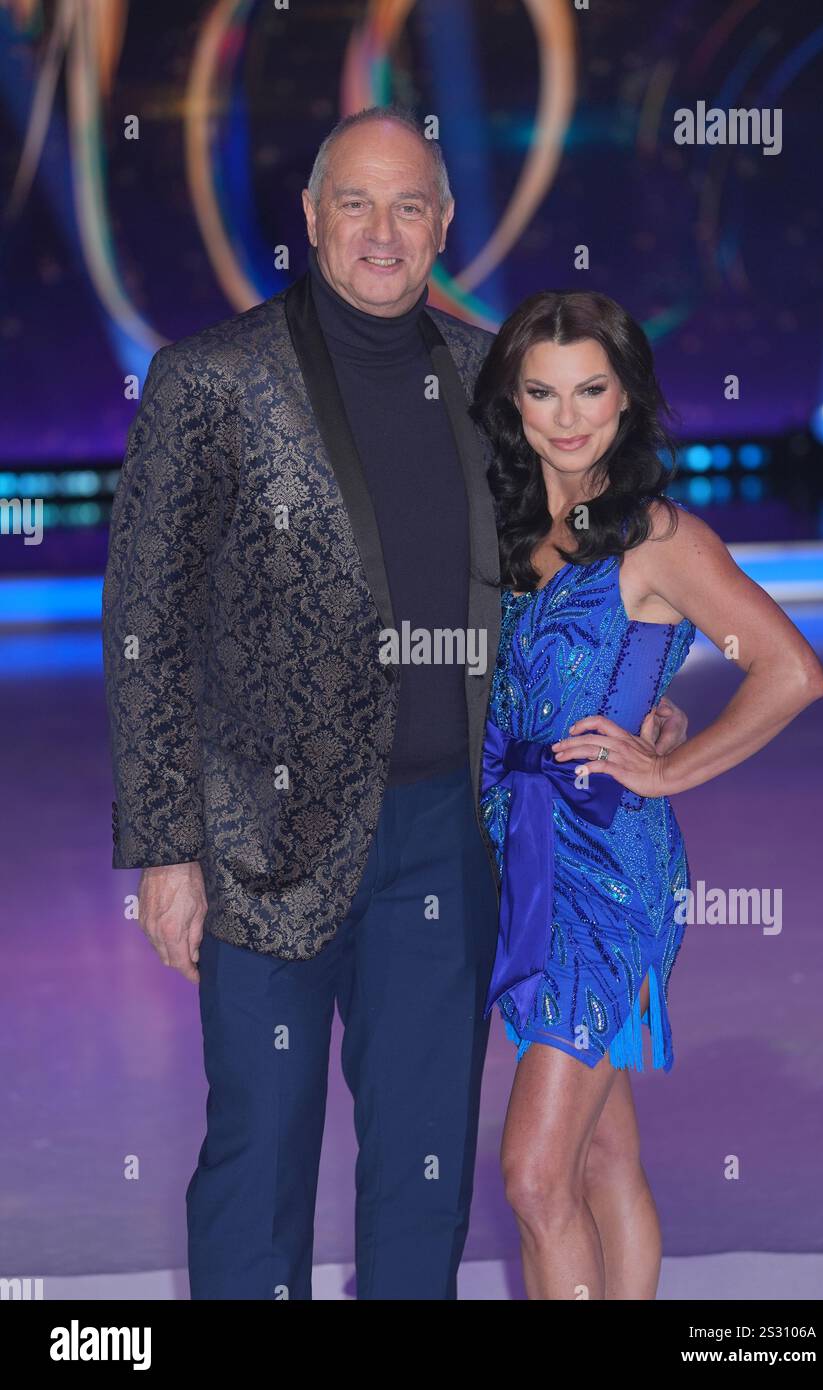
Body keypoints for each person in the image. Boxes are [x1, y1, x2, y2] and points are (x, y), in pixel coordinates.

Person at [102, 104, 687, 1301]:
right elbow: (146, 628)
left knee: (423, 1168)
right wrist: (165, 849)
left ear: (443, 224)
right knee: (256, 1152)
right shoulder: (208, 381)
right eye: (354, 204)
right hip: (258, 840)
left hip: (444, 838)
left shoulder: (488, 383)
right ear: (311, 219)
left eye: (407, 204)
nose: (381, 230)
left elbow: (566, 580)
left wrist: (641, 702)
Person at [471, 289, 823, 1301]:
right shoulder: (501, 527)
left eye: (590, 388)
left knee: (533, 1177)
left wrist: (669, 764)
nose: (568, 414)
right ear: (512, 401)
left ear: (626, 397)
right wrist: (648, 706)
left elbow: (788, 669)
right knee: (596, 1157)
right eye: (541, 392)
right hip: (518, 854)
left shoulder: (656, 533)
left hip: (603, 865)